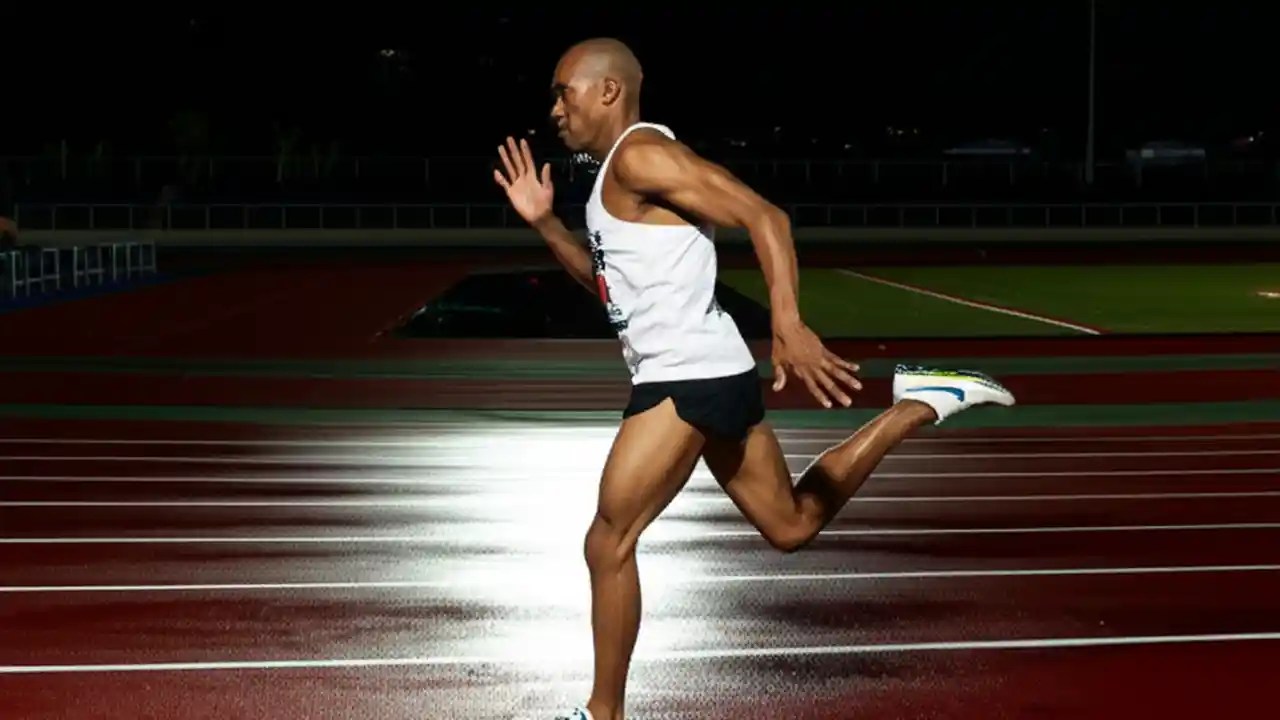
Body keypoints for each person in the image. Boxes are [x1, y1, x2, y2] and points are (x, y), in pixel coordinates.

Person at [492, 37, 1016, 720]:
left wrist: (790, 324)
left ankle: (602, 714)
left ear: (609, 92)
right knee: (792, 524)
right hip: (709, 370)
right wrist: (544, 224)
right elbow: (605, 287)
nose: (555, 109)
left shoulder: (644, 156)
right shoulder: (618, 174)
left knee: (607, 541)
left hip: (687, 377)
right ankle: (919, 402)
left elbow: (766, 217)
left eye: (565, 92)